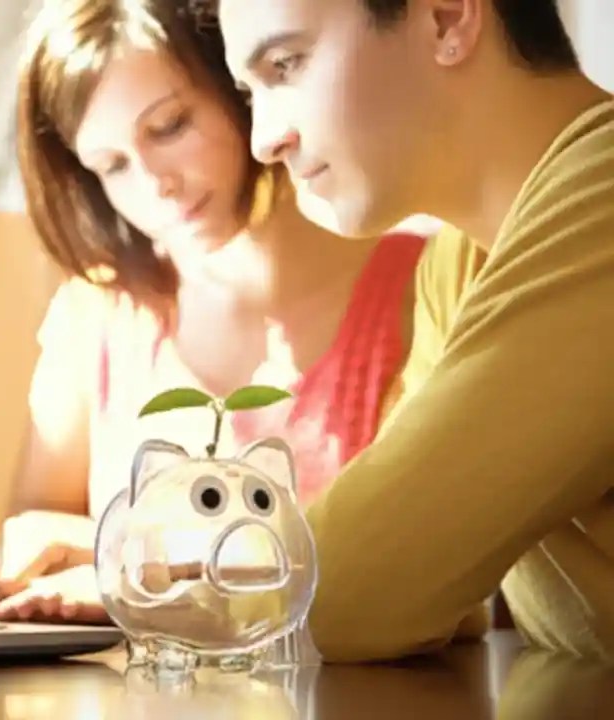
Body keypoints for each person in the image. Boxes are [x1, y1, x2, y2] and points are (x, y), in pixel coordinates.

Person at [0, 0, 438, 624]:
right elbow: (36, 541)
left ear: (236, 84)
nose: (155, 183)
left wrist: (149, 563)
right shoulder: (96, 312)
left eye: (170, 126)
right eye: (112, 165)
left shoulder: (422, 284)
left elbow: (429, 569)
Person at [211, 0, 614, 660]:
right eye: (250, 92)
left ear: (447, 19)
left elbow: (345, 592)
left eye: (287, 65)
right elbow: (424, 573)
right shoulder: (455, 267)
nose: (263, 140)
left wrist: (167, 586)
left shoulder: (604, 201)